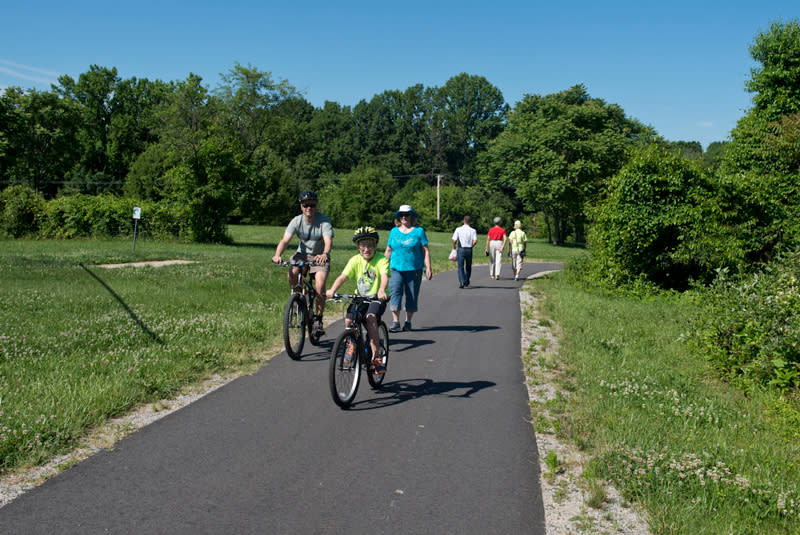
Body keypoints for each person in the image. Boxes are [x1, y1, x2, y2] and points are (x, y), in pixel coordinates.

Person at [326, 226, 389, 374]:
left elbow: (384, 276)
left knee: (370, 318)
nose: (366, 249)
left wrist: (381, 290)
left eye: (370, 245)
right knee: (349, 320)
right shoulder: (355, 260)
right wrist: (332, 290)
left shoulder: (381, 260)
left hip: (376, 298)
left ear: (375, 246)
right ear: (358, 248)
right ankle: (352, 345)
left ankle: (376, 357)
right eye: (363, 245)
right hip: (360, 298)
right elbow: (343, 276)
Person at [272, 191, 334, 333]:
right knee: (293, 273)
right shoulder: (296, 221)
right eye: (306, 205)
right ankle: (296, 301)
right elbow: (285, 240)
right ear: (301, 206)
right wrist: (277, 255)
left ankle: (318, 319)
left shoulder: (323, 221)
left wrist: (325, 253)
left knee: (319, 285)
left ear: (316, 206)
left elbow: (328, 241)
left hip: (319, 256)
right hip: (302, 255)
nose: (309, 208)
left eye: (312, 205)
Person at [384, 204, 432, 332]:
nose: (404, 217)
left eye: (407, 215)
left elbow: (425, 251)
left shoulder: (419, 231)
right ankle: (395, 322)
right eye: (401, 215)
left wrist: (428, 267)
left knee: (411, 295)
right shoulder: (394, 231)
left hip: (414, 269)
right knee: (395, 292)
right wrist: (382, 266)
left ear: (412, 216)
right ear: (398, 217)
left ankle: (408, 321)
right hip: (396, 268)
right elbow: (388, 250)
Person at [451, 215, 477, 288]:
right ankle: (467, 280)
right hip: (469, 249)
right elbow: (475, 241)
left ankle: (462, 281)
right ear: (470, 222)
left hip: (461, 249)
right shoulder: (473, 230)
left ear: (464, 221)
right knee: (468, 266)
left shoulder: (458, 229)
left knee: (460, 266)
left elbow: (454, 240)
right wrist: (471, 245)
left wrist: (454, 247)